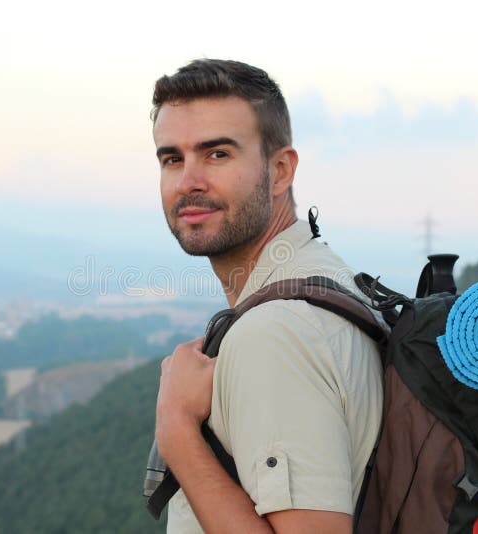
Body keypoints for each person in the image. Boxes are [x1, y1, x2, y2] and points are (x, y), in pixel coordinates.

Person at [152, 59, 383, 533]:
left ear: (280, 171)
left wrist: (177, 432)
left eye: (217, 154)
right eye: (172, 158)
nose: (188, 181)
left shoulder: (275, 334)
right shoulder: (330, 280)